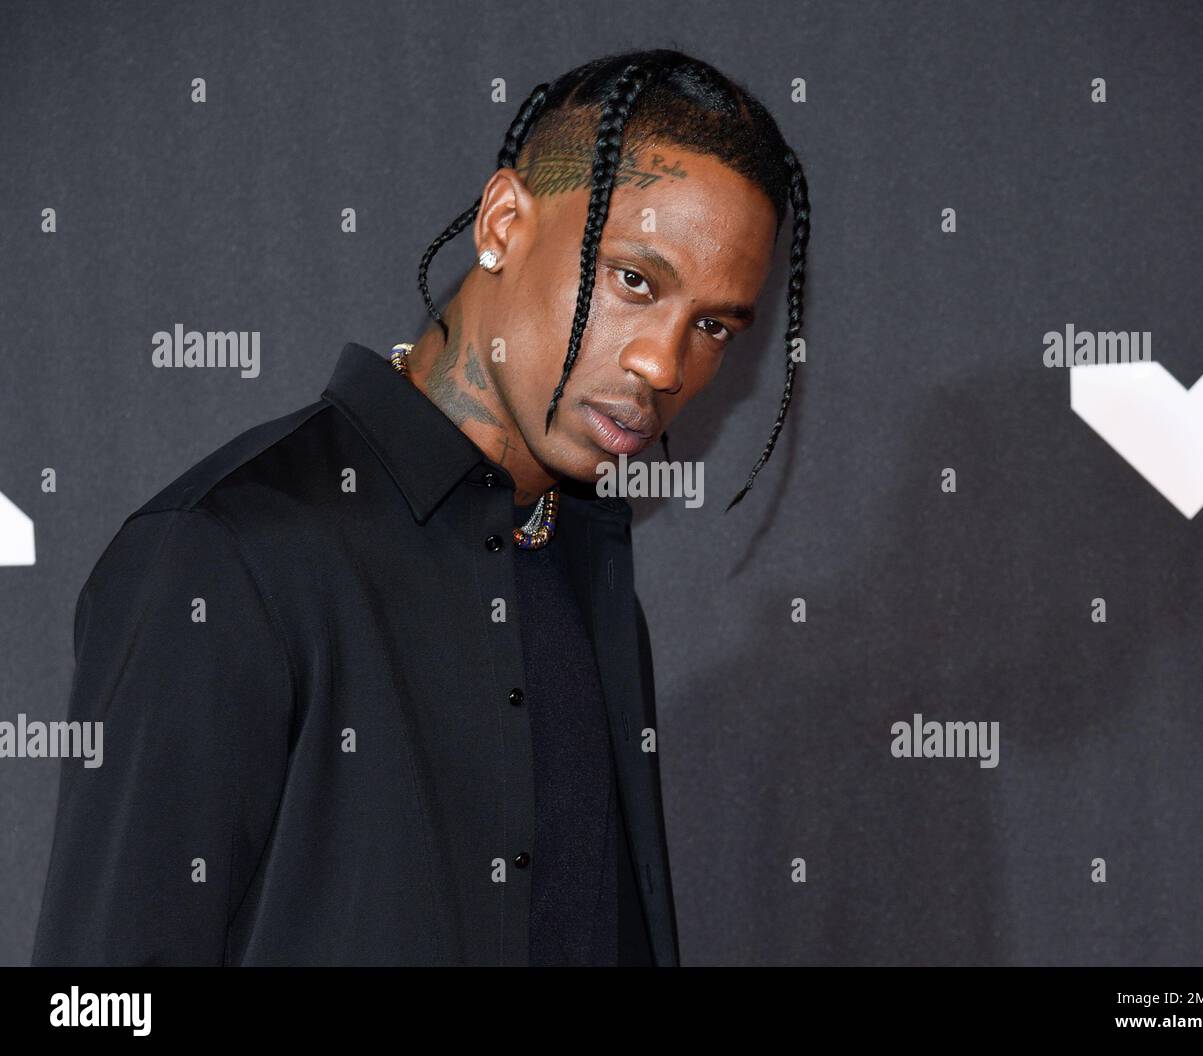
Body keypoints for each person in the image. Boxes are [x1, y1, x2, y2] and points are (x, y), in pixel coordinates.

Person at [31, 47, 810, 966]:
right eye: (634, 281)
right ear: (506, 222)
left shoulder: (584, 571)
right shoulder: (228, 554)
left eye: (714, 326)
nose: (664, 366)